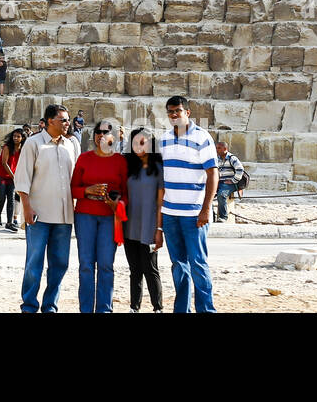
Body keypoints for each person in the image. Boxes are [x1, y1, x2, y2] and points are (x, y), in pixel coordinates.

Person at [16, 104, 77, 313]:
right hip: (39, 215)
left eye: (68, 120)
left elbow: (75, 179)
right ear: (50, 121)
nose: (68, 123)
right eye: (64, 120)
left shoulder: (71, 146)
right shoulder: (33, 144)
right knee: (34, 264)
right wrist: (26, 208)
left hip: (64, 215)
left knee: (60, 264)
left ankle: (50, 305)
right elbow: (22, 178)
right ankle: (29, 305)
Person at [161, 95, 218, 313]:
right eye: (170, 112)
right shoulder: (164, 138)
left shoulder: (202, 137)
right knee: (178, 266)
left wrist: (205, 210)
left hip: (194, 213)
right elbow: (162, 177)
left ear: (187, 112)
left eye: (178, 111)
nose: (174, 115)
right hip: (170, 212)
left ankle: (206, 309)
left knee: (199, 264)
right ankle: (181, 310)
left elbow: (213, 174)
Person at [72, 117, 128, 314]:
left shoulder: (120, 161)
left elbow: (127, 194)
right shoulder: (84, 158)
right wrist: (88, 191)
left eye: (105, 132)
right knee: (86, 265)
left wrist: (118, 204)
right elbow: (73, 189)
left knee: (106, 265)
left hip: (109, 217)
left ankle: (104, 309)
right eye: (98, 132)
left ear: (113, 137)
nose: (101, 136)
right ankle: (86, 309)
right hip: (85, 215)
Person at [123, 127, 165, 313]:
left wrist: (159, 229)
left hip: (149, 226)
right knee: (134, 270)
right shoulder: (128, 167)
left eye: (143, 141)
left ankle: (157, 307)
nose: (138, 146)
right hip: (129, 226)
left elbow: (161, 202)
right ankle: (134, 307)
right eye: (135, 142)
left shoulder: (159, 169)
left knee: (150, 269)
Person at [0, 129, 24, 231]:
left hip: (12, 176)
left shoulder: (23, 148)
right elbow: (4, 163)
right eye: (14, 136)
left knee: (11, 199)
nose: (15, 138)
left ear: (22, 138)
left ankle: (9, 223)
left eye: (18, 136)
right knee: (2, 197)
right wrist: (14, 176)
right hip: (0, 175)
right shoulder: (7, 147)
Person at [214, 141, 245, 221]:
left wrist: (233, 181)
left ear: (225, 149)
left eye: (219, 148)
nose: (217, 150)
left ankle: (223, 217)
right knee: (207, 193)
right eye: (216, 148)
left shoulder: (232, 158)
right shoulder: (218, 159)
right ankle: (212, 216)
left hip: (230, 184)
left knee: (221, 195)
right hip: (219, 183)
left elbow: (240, 169)